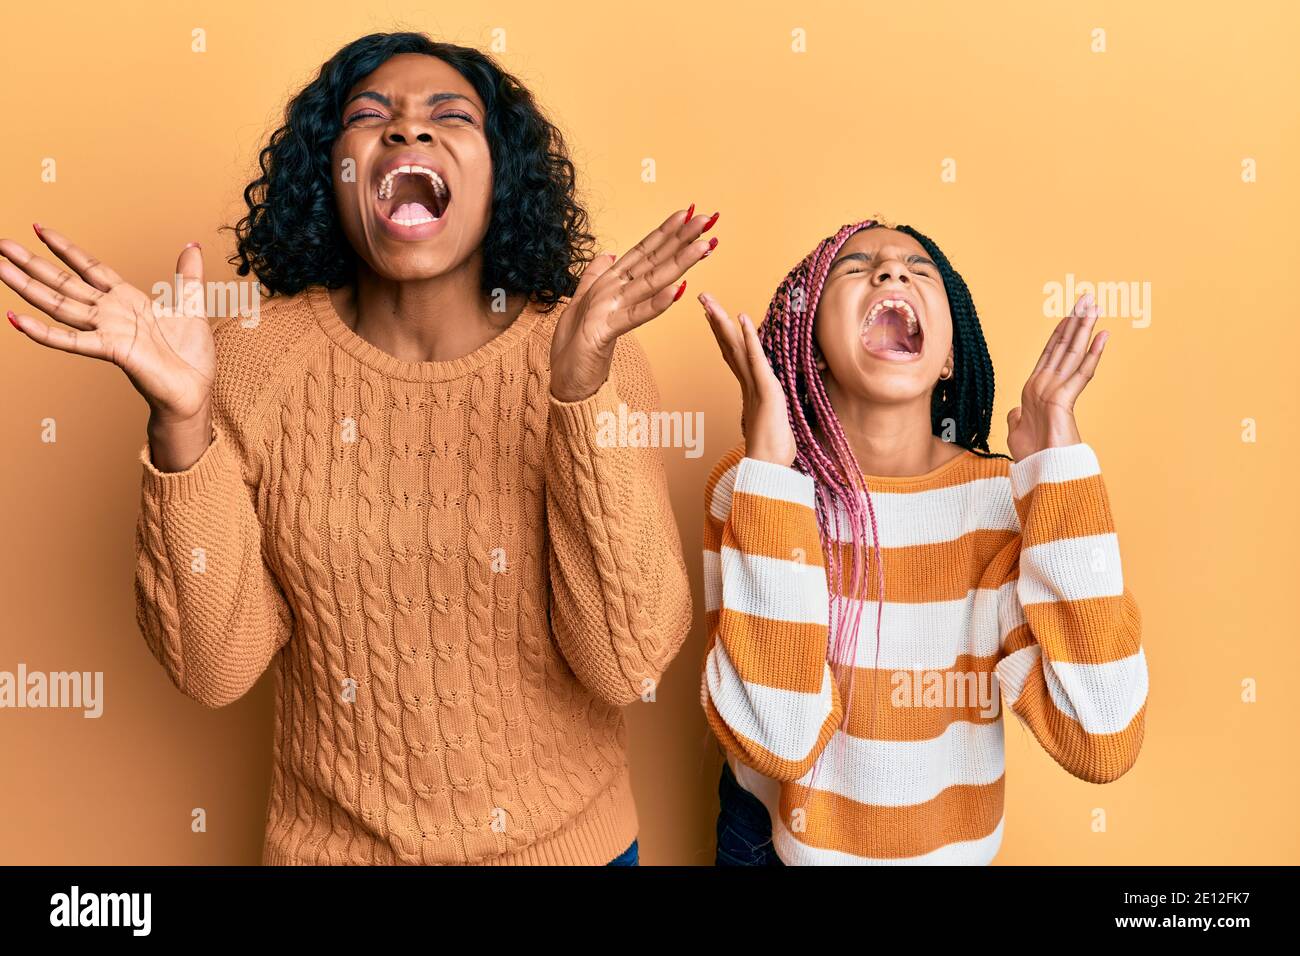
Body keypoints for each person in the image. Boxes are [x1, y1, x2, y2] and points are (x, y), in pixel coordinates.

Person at [1, 31, 714, 866]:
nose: (408, 131)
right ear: (329, 176)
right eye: (370, 116)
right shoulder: (252, 359)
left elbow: (627, 661)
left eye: (450, 116)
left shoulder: (591, 346)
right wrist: (183, 424)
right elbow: (213, 669)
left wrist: (580, 393)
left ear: (501, 177)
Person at [698, 218, 1148, 865]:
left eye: (919, 267)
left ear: (948, 356)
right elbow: (777, 740)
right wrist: (770, 465)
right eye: (856, 267)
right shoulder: (750, 487)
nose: (890, 270)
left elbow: (1102, 738)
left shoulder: (999, 504)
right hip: (768, 844)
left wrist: (1061, 468)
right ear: (810, 344)